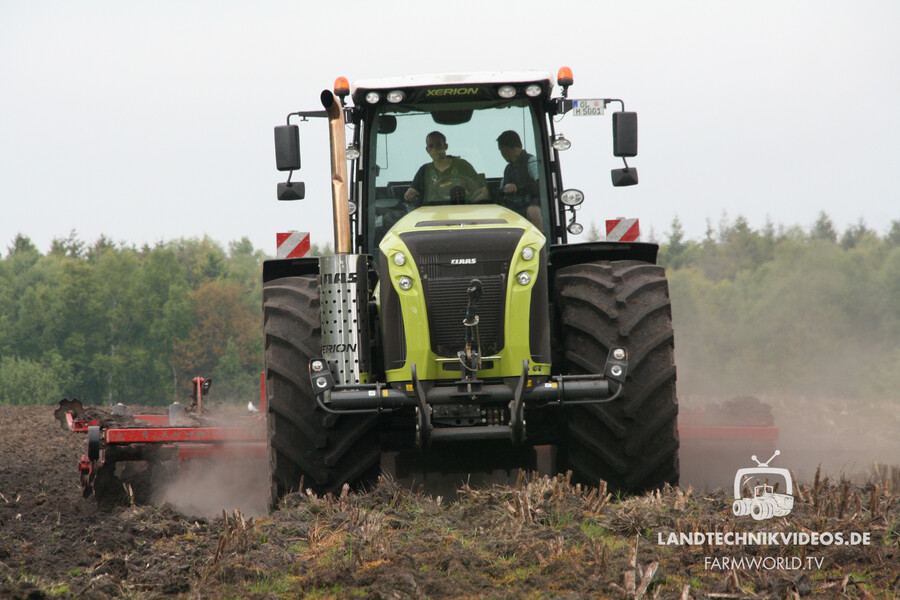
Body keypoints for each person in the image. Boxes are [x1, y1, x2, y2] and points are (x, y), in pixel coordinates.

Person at [404, 131, 488, 205]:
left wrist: (468, 203)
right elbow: (411, 192)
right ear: (427, 150)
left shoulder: (462, 165)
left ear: (445, 146)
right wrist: (410, 193)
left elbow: (483, 191)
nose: (435, 149)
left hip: (462, 213)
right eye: (431, 146)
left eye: (438, 145)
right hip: (430, 216)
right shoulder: (424, 170)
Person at [496, 130, 543, 229]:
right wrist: (506, 188)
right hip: (512, 207)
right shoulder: (508, 169)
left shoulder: (531, 161)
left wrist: (518, 187)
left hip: (530, 204)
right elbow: (500, 192)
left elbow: (542, 186)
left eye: (501, 150)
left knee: (533, 211)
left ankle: (542, 241)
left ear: (506, 148)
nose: (501, 154)